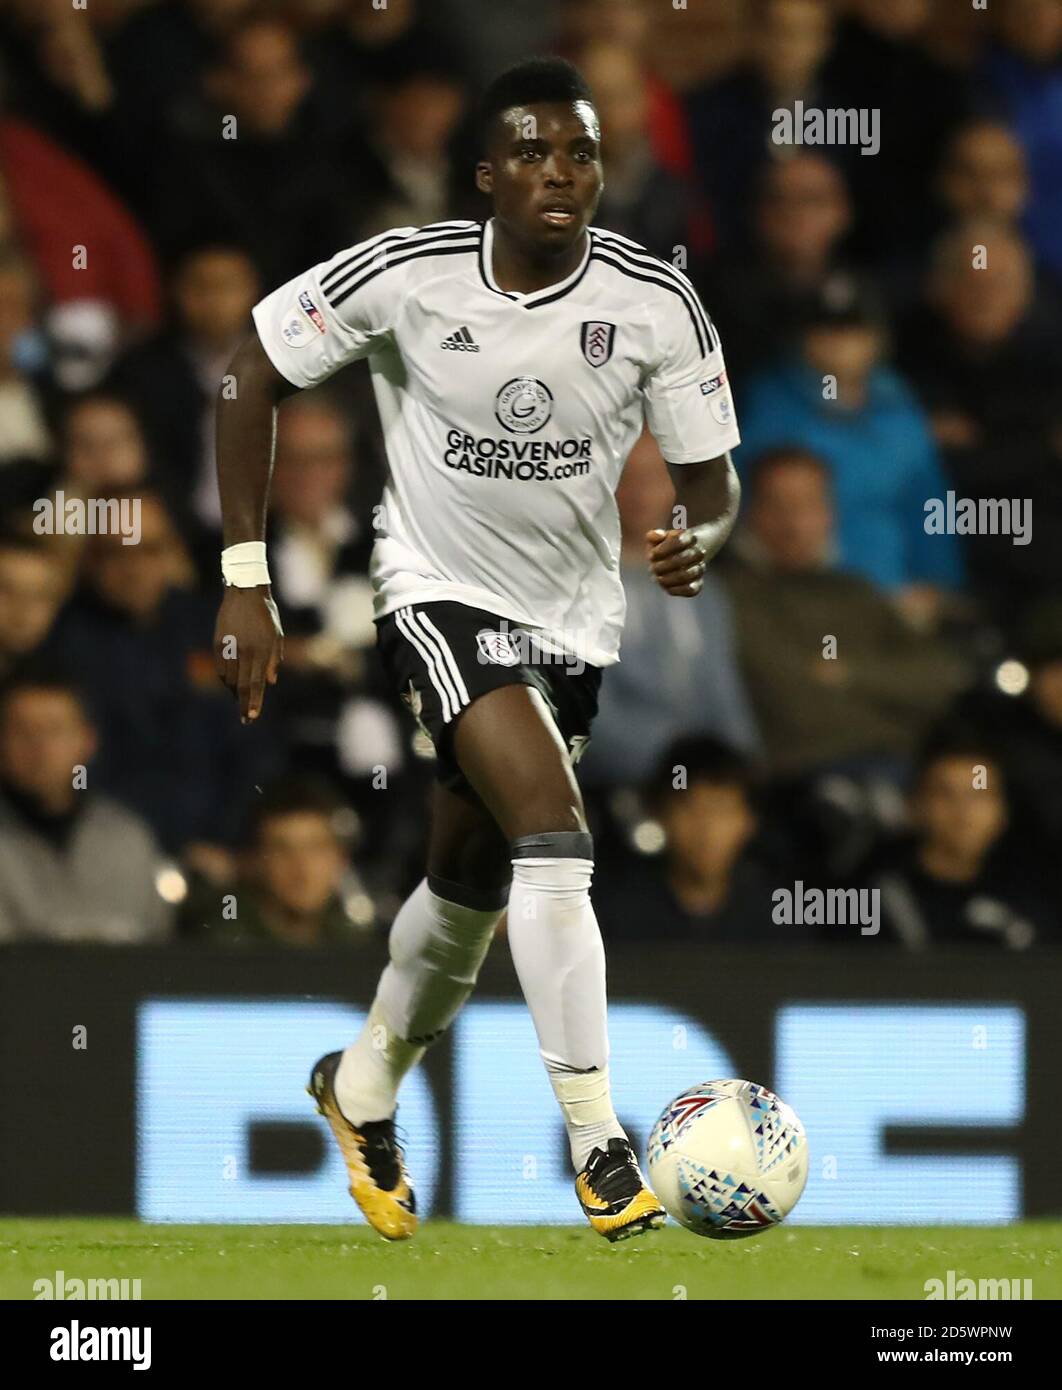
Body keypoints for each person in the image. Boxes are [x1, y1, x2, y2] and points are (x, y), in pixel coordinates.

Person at [213, 58, 742, 1242]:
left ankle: (356, 1091)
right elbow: (250, 370)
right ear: (487, 176)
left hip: (573, 621)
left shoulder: (658, 301)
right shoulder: (405, 273)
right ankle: (600, 1146)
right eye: (537, 154)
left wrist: (693, 536)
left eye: (583, 154)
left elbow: (712, 488)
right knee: (557, 836)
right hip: (436, 594)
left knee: (471, 886)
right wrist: (246, 581)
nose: (563, 173)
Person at [0, 670, 172, 943]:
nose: (40, 749)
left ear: (87, 741)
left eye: (55, 731)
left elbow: (157, 945)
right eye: (23, 732)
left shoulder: (128, 839)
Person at [593, 736, 786, 945]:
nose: (706, 830)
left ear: (748, 822)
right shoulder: (613, 914)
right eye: (690, 810)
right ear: (661, 814)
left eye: (722, 811)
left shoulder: (777, 919)